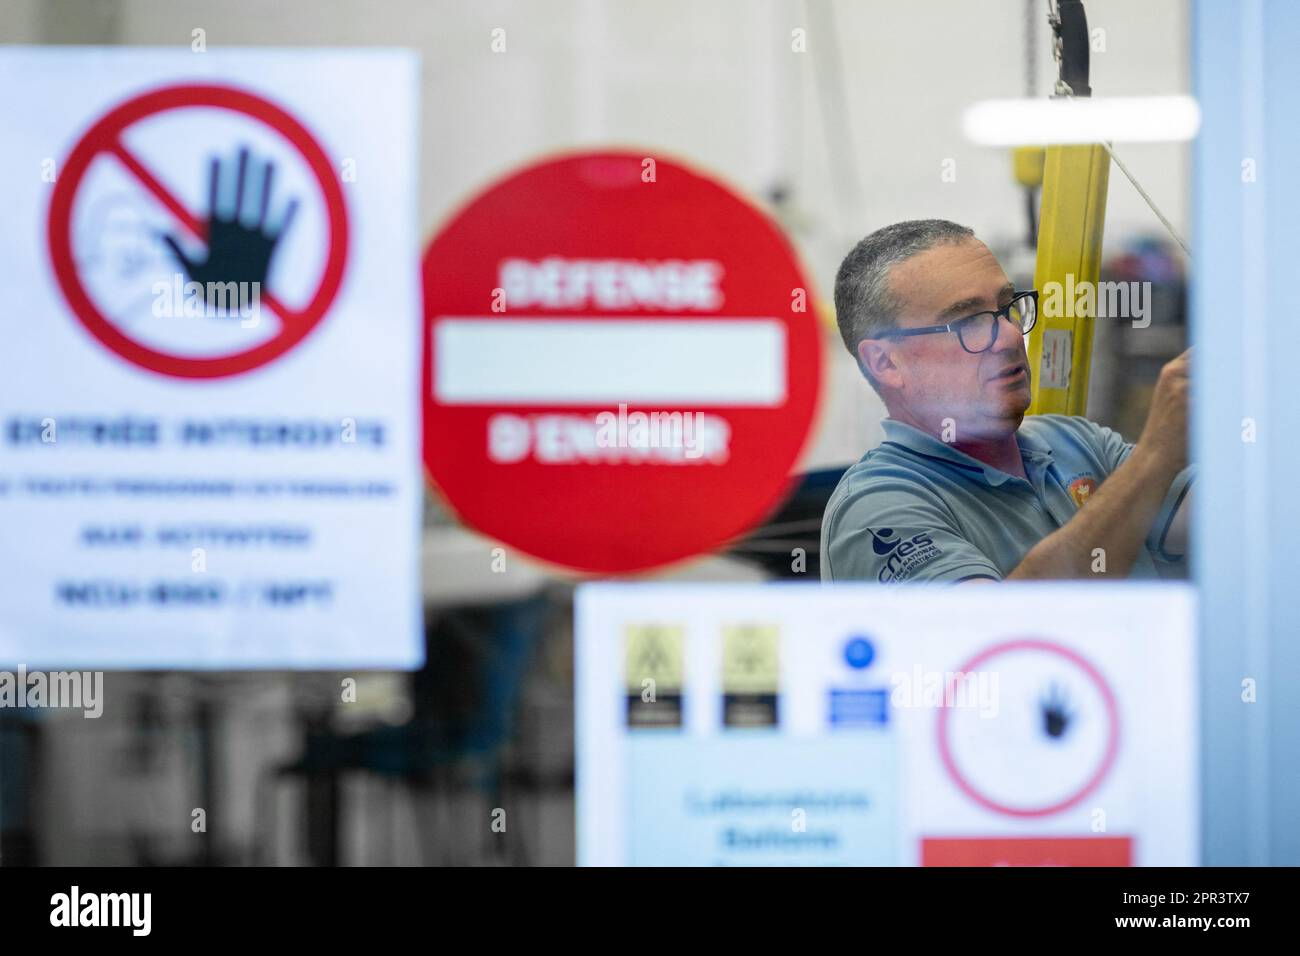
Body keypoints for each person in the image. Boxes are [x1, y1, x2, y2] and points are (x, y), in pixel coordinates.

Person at [821, 219, 1191, 583]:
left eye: (1006, 307)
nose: (1011, 336)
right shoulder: (878, 507)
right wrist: (1156, 455)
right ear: (886, 363)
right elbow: (993, 632)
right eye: (968, 322)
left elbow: (1229, 521)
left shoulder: (1074, 443)